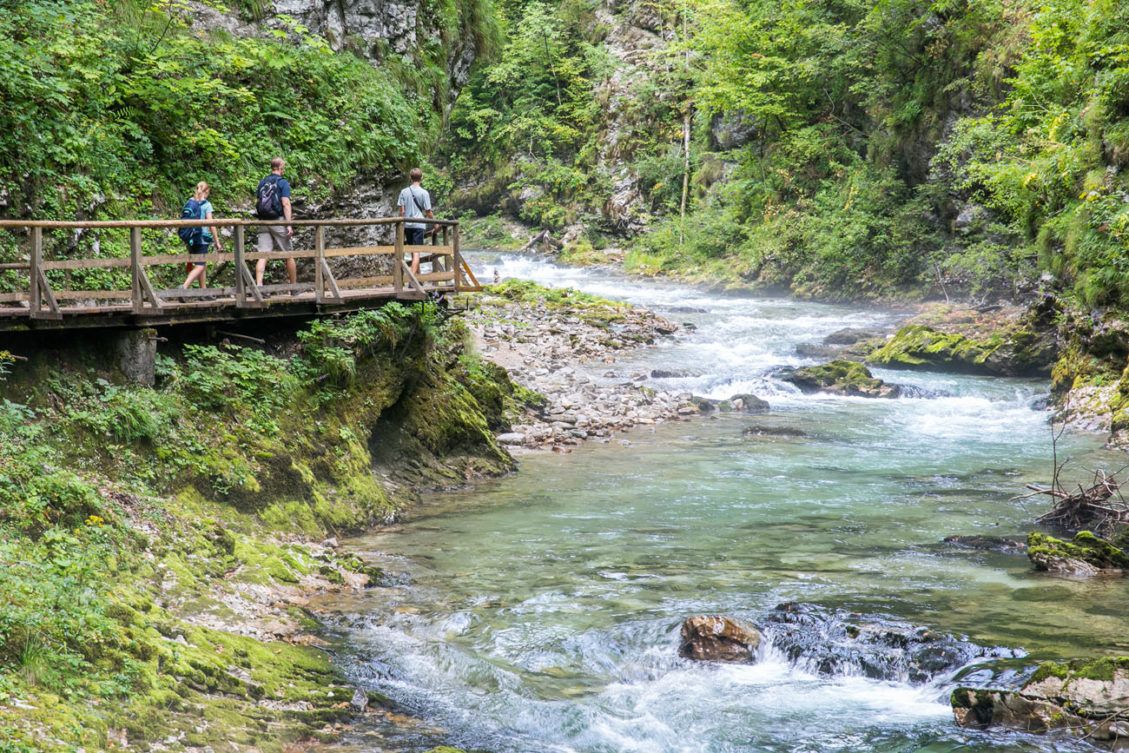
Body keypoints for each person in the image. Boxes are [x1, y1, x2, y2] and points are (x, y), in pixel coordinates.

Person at [254, 156, 296, 287]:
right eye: (283, 167)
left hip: (263, 221)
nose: (284, 170)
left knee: (263, 254)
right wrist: (288, 224)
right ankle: (293, 287)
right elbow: (286, 203)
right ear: (280, 167)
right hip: (278, 221)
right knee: (288, 254)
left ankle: (259, 286)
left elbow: (258, 201)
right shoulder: (283, 182)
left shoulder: (262, 182)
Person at [179, 182, 223, 291]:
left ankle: (203, 291)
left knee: (202, 263)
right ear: (206, 192)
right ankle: (184, 287)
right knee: (200, 265)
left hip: (191, 238)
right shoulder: (206, 204)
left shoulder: (190, 202)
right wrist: (217, 241)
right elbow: (211, 224)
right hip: (202, 238)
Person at [397, 167, 434, 274]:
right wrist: (435, 223)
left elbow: (402, 212)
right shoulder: (424, 193)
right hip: (419, 225)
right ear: (421, 178)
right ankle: (413, 281)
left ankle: (418, 279)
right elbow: (428, 212)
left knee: (413, 253)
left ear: (410, 177)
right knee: (417, 253)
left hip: (407, 226)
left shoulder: (404, 192)